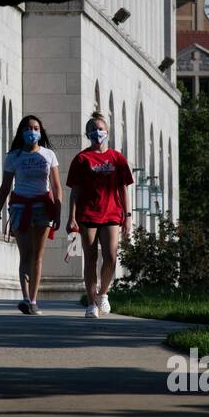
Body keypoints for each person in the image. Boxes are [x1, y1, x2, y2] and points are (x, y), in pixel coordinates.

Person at [66, 111, 134, 318]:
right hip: (88, 215)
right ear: (87, 134)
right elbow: (75, 190)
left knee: (111, 257)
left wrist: (128, 215)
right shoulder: (81, 159)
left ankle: (103, 294)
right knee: (90, 258)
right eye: (93, 129)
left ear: (107, 131)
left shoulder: (117, 158)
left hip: (112, 213)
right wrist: (72, 217)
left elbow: (124, 188)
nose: (97, 132)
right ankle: (90, 303)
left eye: (100, 128)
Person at [0, 115, 61, 315]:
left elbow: (56, 186)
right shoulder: (13, 156)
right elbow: (5, 187)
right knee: (25, 255)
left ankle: (33, 300)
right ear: (22, 132)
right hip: (20, 207)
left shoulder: (48, 155)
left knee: (37, 257)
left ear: (41, 132)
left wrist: (58, 211)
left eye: (36, 128)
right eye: (28, 128)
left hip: (42, 208)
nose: (32, 131)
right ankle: (24, 297)